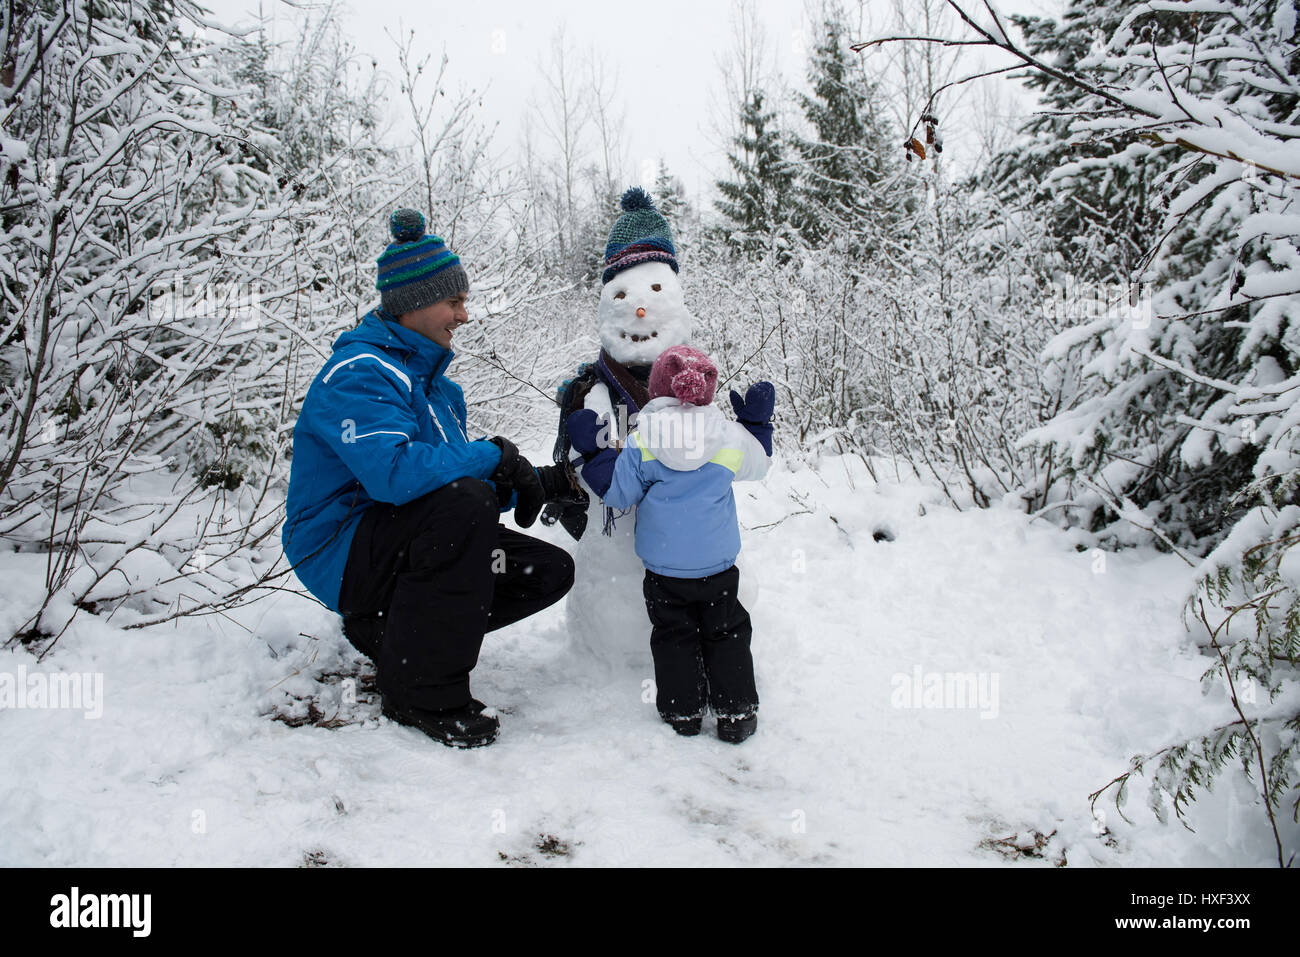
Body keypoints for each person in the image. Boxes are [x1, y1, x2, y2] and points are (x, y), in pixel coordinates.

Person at [282, 208, 577, 749]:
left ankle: (392, 636)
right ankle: (420, 690)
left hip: (396, 541)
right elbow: (395, 478)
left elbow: (445, 491)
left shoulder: (441, 391)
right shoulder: (360, 373)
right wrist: (492, 457)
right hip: (339, 547)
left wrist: (542, 482)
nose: (464, 316)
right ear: (415, 303)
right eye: (454, 302)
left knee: (548, 570)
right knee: (465, 502)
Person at [566, 345, 775, 743]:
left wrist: (592, 453)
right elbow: (759, 463)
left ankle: (683, 714)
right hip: (717, 566)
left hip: (664, 571)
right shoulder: (727, 436)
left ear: (658, 389)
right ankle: (737, 712)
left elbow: (618, 492)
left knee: (673, 636)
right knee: (726, 634)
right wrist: (756, 425)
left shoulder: (645, 439)